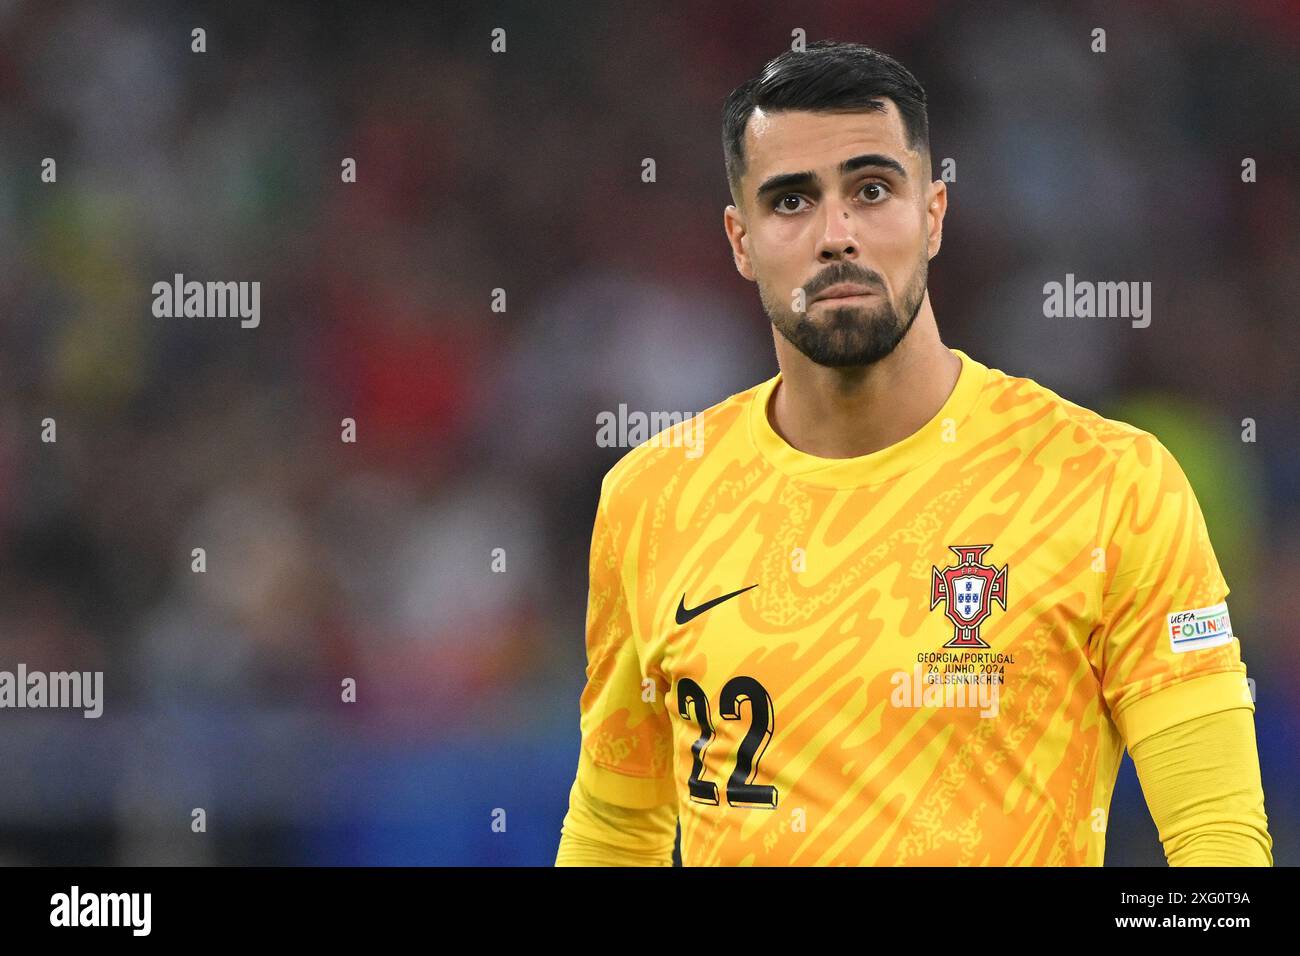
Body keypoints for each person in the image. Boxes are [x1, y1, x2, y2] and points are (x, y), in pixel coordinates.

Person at [555, 40, 1271, 866]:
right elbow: (615, 832)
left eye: (870, 190)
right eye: (791, 201)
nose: (837, 235)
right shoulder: (652, 499)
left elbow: (1217, 844)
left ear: (932, 215)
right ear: (740, 239)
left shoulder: (1108, 484)